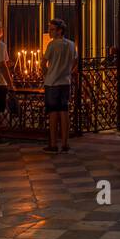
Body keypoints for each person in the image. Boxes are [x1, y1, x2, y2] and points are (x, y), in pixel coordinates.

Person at [42, 18, 78, 154]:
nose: (49, 32)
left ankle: (52, 144)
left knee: (53, 113)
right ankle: (65, 143)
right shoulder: (71, 44)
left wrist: (46, 75)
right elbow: (75, 61)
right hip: (65, 82)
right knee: (64, 112)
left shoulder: (52, 45)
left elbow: (43, 63)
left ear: (60, 30)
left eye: (52, 29)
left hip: (52, 83)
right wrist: (68, 72)